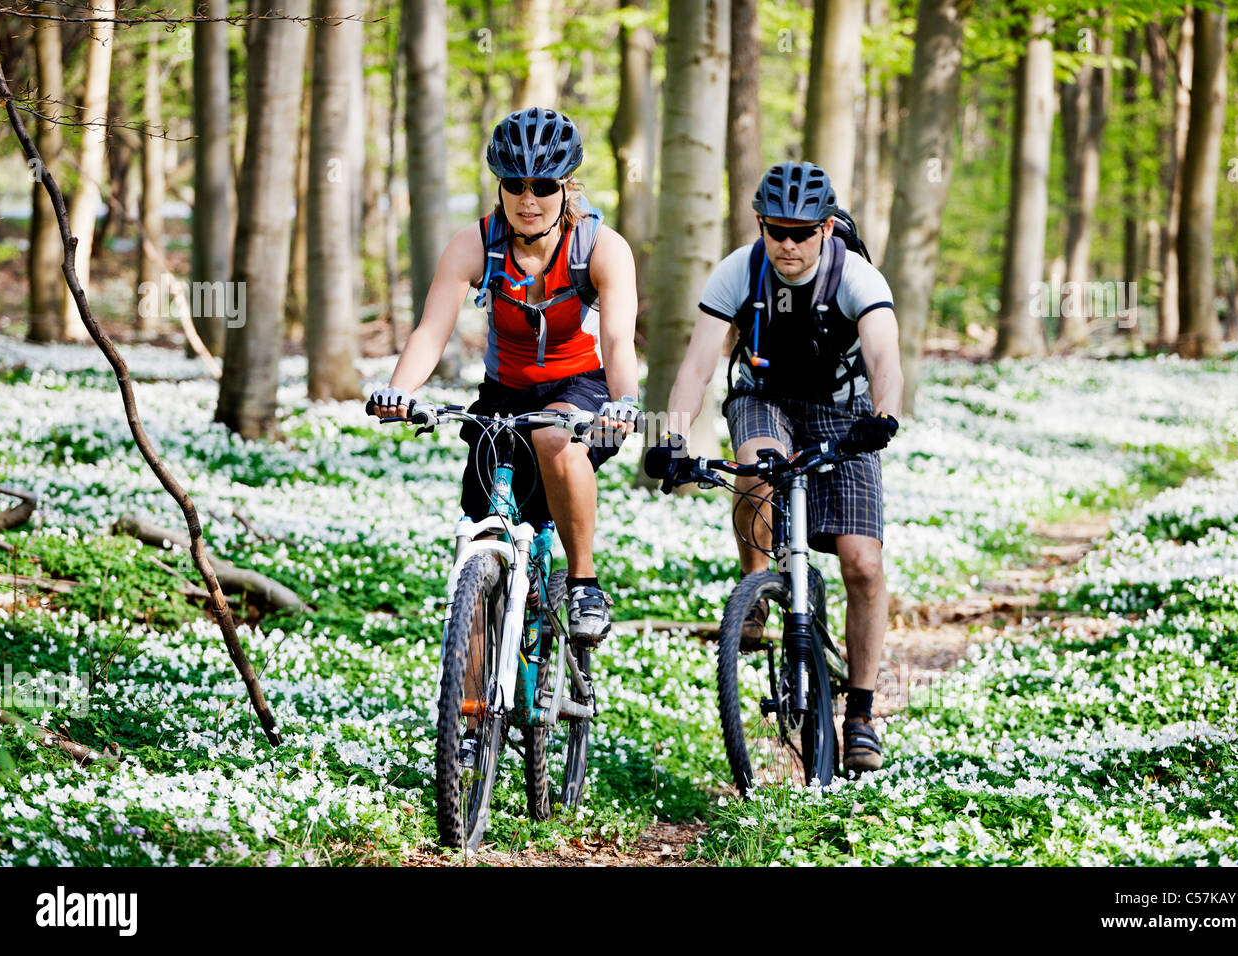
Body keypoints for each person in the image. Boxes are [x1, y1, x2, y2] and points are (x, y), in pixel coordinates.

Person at [645, 161, 903, 771]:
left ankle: (860, 712)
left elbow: (884, 352)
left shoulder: (855, 275)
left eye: (802, 232)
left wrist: (883, 415)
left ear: (825, 229)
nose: (788, 244)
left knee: (863, 564)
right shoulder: (739, 270)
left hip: (844, 411)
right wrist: (672, 439)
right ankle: (757, 591)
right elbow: (696, 367)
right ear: (760, 224)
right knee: (756, 464)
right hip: (763, 399)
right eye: (776, 230)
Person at [370, 107, 640, 645]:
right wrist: (400, 390)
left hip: (580, 388)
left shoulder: (600, 248)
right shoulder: (476, 243)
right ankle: (471, 694)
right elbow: (431, 330)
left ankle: (584, 582)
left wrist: (625, 400)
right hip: (503, 393)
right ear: (500, 187)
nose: (528, 199)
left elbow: (617, 341)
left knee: (554, 437)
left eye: (542, 185)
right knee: (477, 529)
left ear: (566, 187)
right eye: (514, 185)